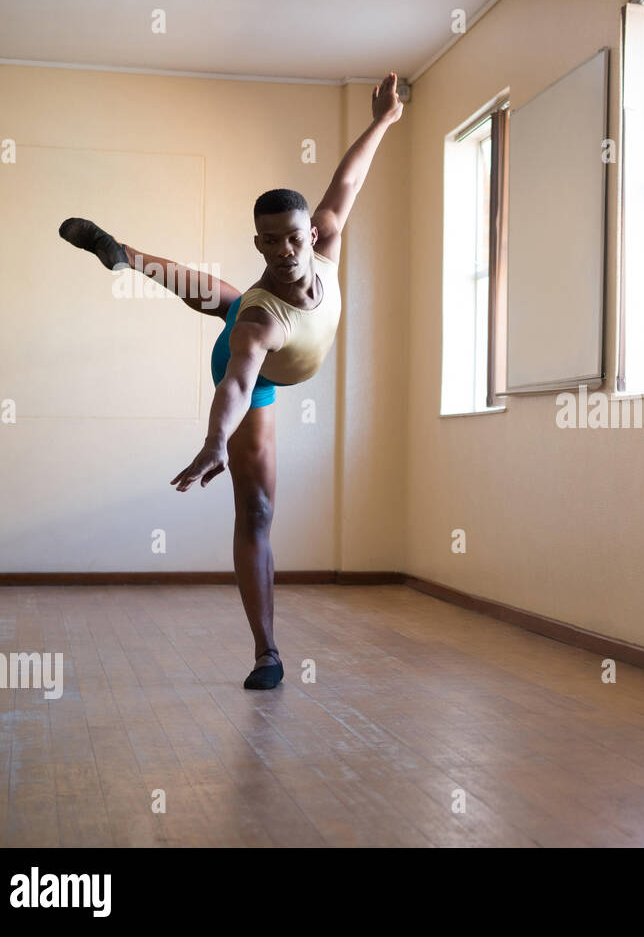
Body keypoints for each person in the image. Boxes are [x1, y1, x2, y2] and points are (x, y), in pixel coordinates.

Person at [58, 72, 404, 690]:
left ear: (314, 232)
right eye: (270, 242)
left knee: (223, 297)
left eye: (294, 237)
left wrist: (383, 120)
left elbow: (347, 180)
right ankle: (267, 652)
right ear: (258, 241)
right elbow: (239, 385)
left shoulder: (324, 242)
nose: (285, 251)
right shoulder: (258, 323)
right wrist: (219, 439)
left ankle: (125, 255)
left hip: (267, 325)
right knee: (259, 506)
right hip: (258, 368)